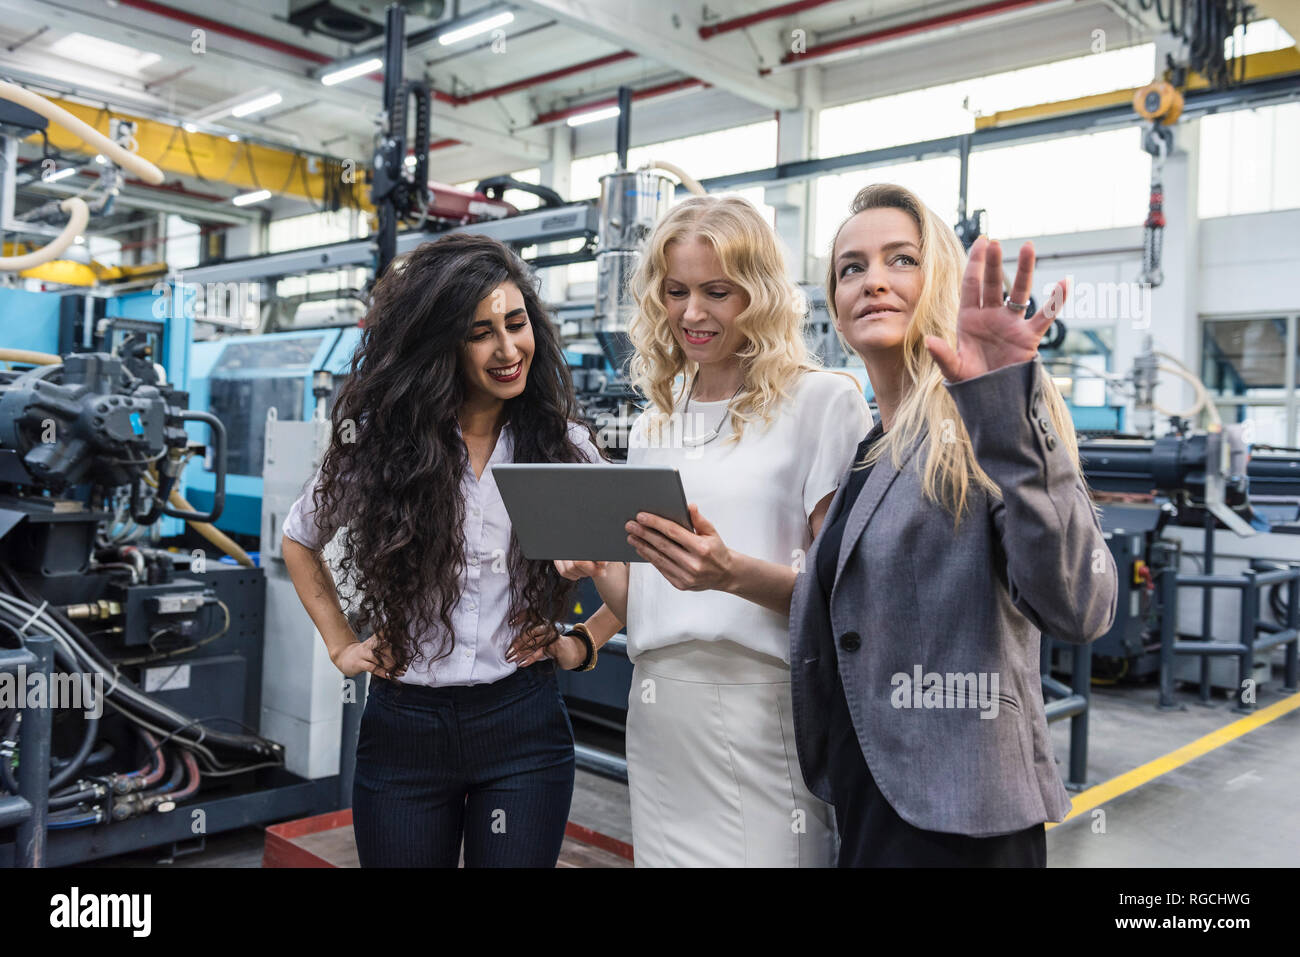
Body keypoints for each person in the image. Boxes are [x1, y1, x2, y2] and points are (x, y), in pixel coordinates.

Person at [511, 195, 871, 866]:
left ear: (759, 294)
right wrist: (597, 566)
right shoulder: (656, 423)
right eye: (676, 291)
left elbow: (845, 602)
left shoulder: (824, 401)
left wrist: (730, 572)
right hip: (658, 710)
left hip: (764, 710)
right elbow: (647, 602)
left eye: (717, 291)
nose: (691, 313)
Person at [788, 182, 1118, 867]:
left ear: (938, 275)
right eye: (851, 267)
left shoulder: (983, 419)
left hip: (962, 824)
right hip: (870, 801)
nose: (872, 280)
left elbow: (1081, 604)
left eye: (899, 259)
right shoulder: (869, 448)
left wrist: (1002, 405)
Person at [280, 234, 604, 868]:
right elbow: (300, 539)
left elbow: (629, 561)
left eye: (517, 324)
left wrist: (581, 641)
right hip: (406, 732)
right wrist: (342, 644)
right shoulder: (380, 447)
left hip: (522, 728)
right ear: (439, 345)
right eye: (480, 332)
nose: (508, 349)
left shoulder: (563, 445)